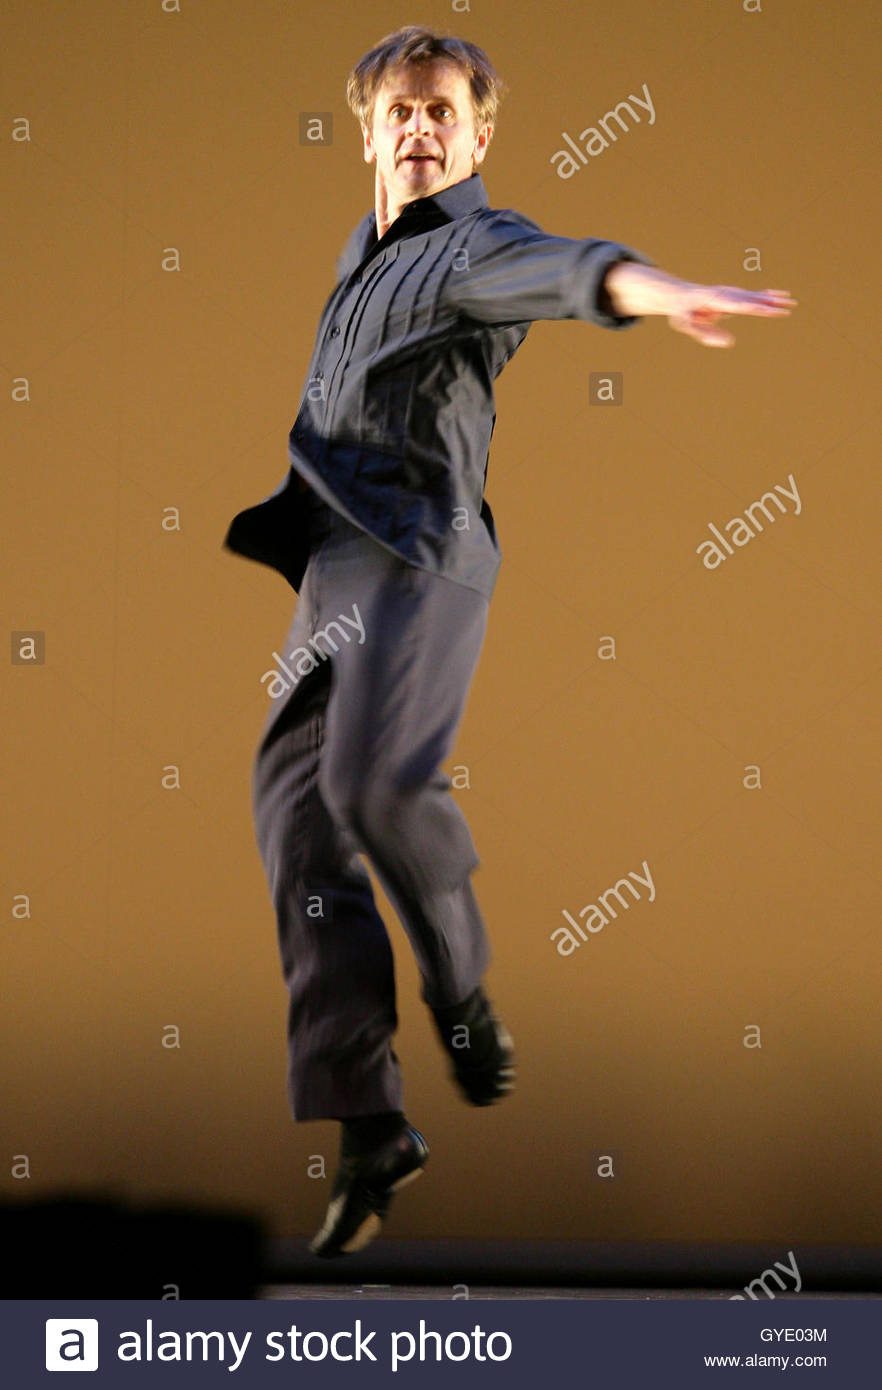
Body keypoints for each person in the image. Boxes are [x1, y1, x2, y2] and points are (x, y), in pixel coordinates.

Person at [223, 25, 796, 1259]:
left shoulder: (471, 249)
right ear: (366, 132)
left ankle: (463, 993)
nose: (421, 129)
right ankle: (371, 1121)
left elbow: (563, 266)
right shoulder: (363, 250)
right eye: (400, 112)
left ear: (479, 135)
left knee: (373, 789)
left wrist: (656, 291)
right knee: (290, 807)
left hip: (420, 557)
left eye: (444, 113)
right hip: (332, 560)